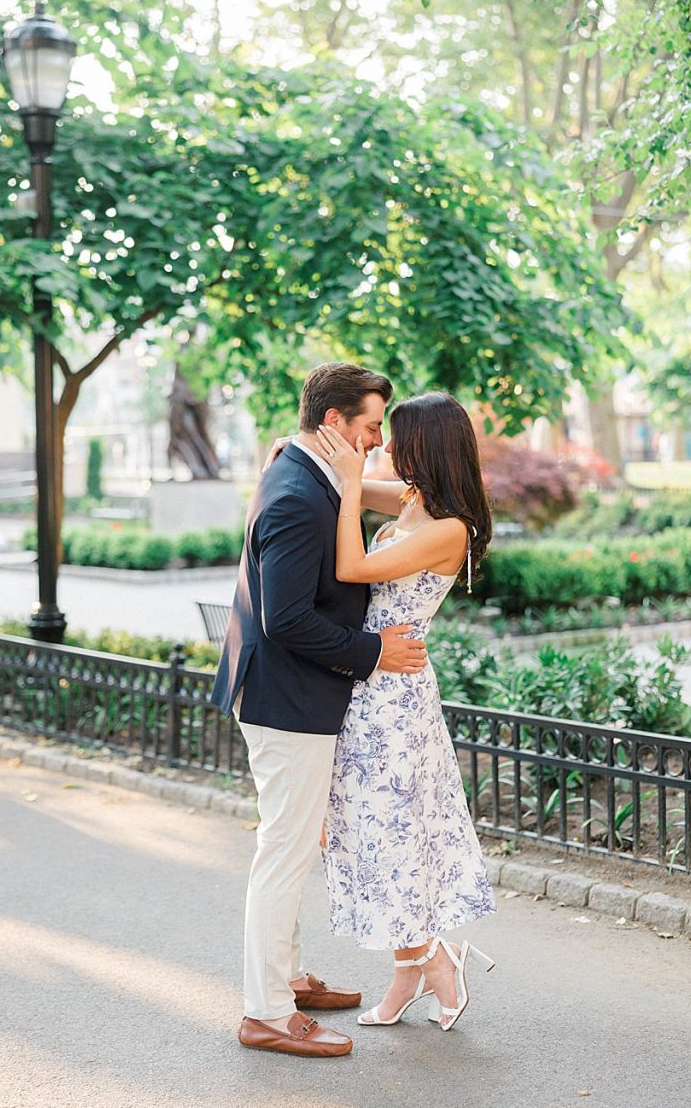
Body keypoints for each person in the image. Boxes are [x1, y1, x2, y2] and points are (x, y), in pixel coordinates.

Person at [210, 362, 429, 1058]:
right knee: (284, 851)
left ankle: (288, 976)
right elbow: (287, 620)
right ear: (335, 423)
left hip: (287, 692)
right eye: (369, 428)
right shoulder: (299, 497)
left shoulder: (305, 468)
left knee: (292, 846)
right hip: (287, 699)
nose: (374, 441)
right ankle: (268, 1011)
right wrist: (374, 653)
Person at [313, 391, 497, 1031]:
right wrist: (308, 455)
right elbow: (357, 490)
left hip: (396, 697)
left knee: (393, 833)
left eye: (396, 437)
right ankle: (417, 966)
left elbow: (352, 563)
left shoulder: (448, 528)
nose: (384, 447)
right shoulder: (416, 501)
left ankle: (428, 961)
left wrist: (350, 483)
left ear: (427, 446)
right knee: (373, 832)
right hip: (369, 678)